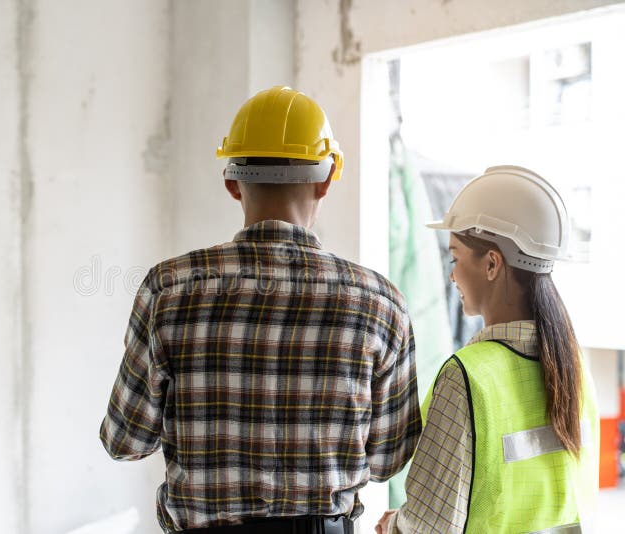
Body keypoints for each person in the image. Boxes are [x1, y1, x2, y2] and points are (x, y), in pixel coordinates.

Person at [100, 86, 422, 533]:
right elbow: (390, 459)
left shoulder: (168, 289)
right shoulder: (381, 305)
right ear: (327, 180)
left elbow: (125, 440)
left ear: (232, 183)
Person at [376, 166, 600, 534]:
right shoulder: (575, 366)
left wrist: (394, 524)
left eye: (455, 257)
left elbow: (429, 526)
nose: (451, 276)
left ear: (492, 263)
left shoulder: (468, 377)